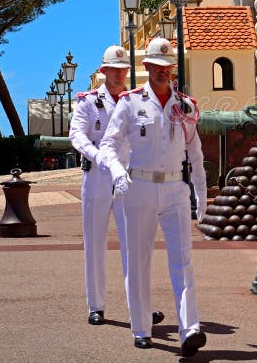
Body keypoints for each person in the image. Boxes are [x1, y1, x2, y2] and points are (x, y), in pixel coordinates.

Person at [99, 38, 208, 357]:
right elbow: (108, 144)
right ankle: (141, 328)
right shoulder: (130, 103)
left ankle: (190, 329)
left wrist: (200, 191)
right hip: (140, 187)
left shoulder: (184, 106)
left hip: (175, 188)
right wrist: (117, 171)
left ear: (172, 69)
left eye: (167, 67)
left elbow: (196, 151)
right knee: (139, 259)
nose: (162, 71)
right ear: (146, 67)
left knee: (183, 261)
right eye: (156, 66)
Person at [68, 45, 165, 328]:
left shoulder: (135, 101)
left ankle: (141, 308)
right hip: (98, 176)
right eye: (115, 69)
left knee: (134, 245)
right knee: (95, 243)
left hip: (128, 177)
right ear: (103, 71)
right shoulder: (88, 102)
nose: (121, 74)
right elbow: (77, 136)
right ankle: (96, 305)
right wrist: (98, 156)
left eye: (124, 70)